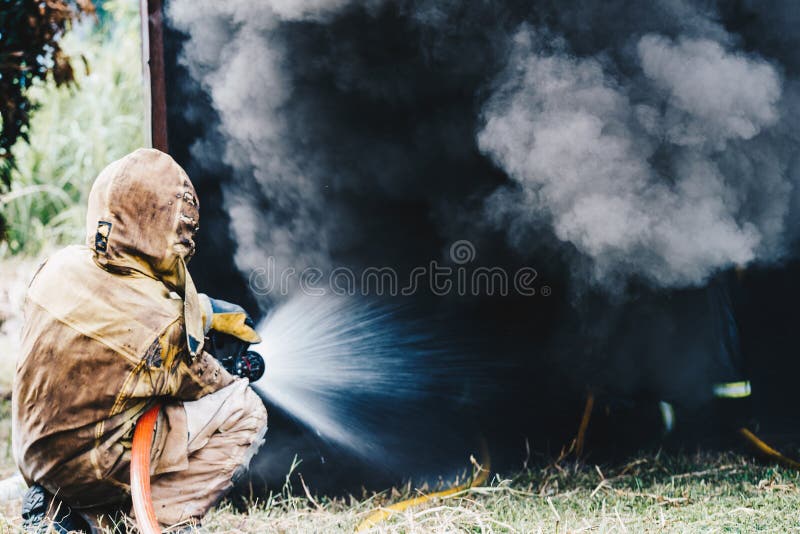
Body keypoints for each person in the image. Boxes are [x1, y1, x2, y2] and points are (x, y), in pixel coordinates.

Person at [12, 148, 268, 532]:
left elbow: (116, 312)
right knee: (244, 410)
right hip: (94, 469)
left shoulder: (58, 267)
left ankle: (61, 513)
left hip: (37, 460)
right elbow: (208, 384)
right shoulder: (165, 326)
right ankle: (149, 523)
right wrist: (228, 367)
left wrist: (200, 310)